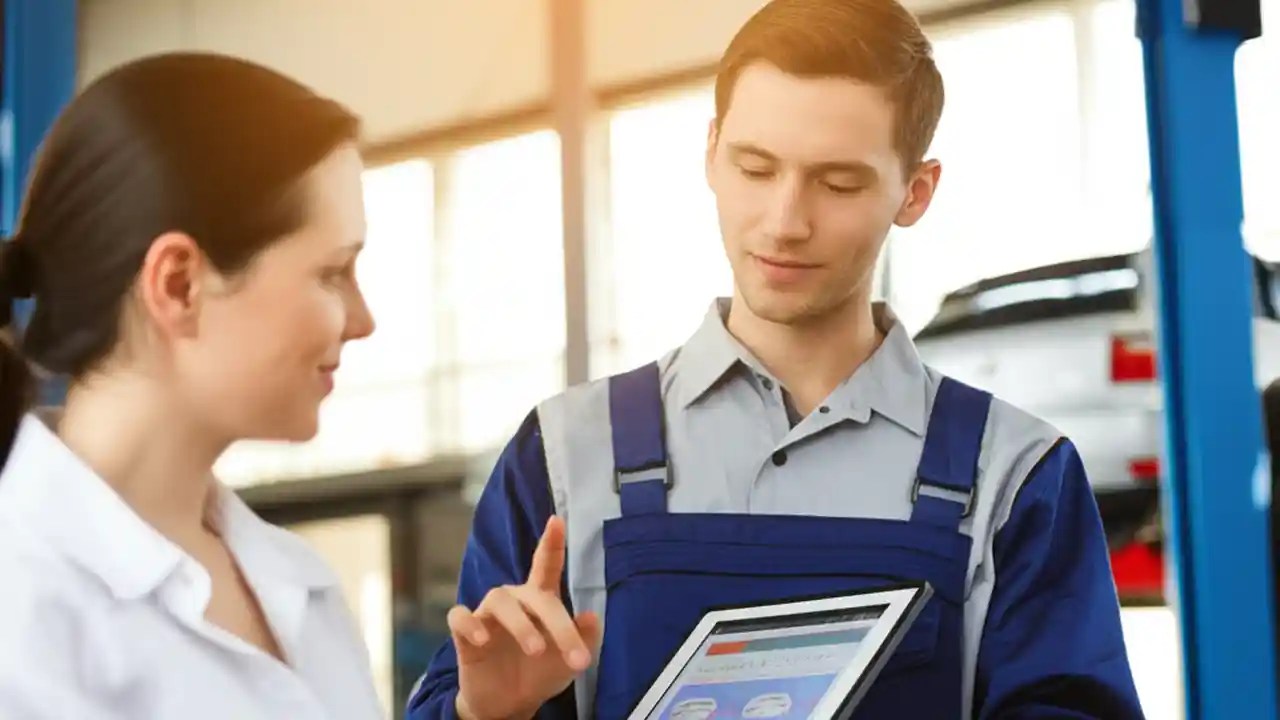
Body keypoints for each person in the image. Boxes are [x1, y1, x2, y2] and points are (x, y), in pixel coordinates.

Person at [407, 0, 1147, 717]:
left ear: (915, 192)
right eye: (755, 168)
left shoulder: (1016, 478)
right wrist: (485, 717)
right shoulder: (564, 457)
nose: (785, 222)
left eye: (837, 182)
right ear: (710, 154)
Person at [0, 52, 383, 719]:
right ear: (177, 283)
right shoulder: (21, 612)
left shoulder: (302, 584)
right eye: (331, 273)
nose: (363, 320)